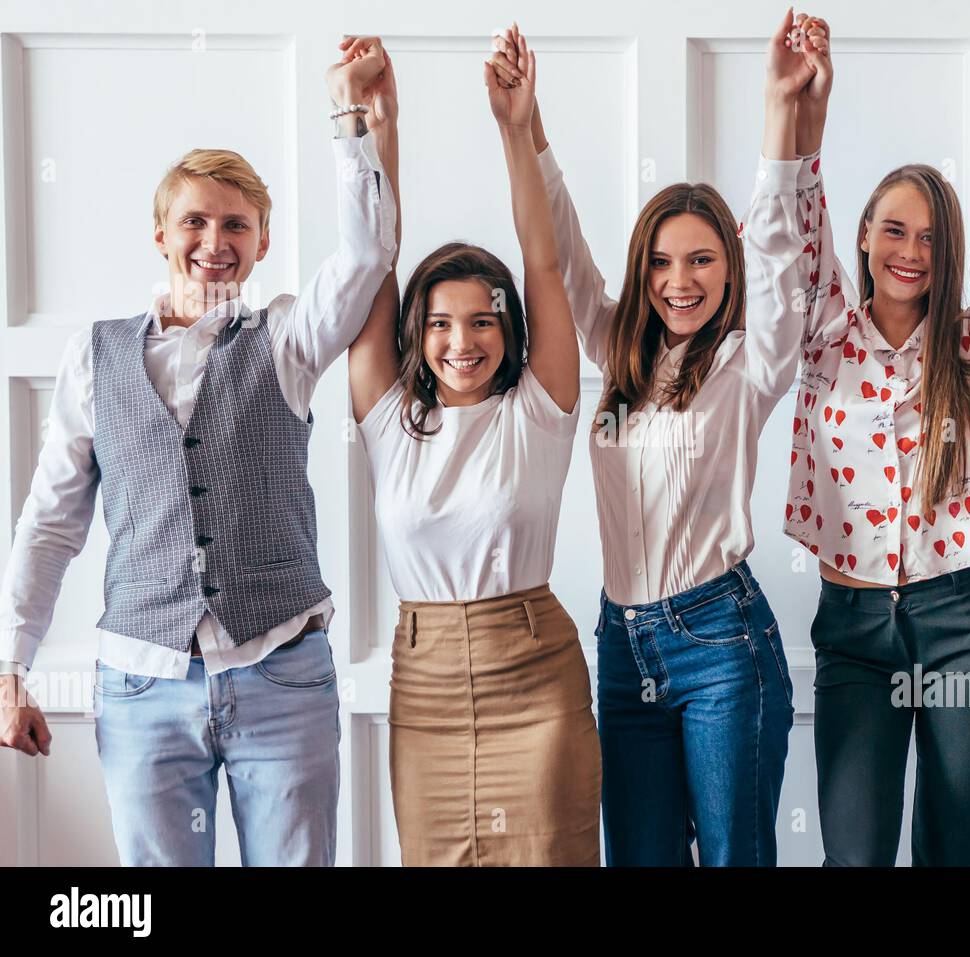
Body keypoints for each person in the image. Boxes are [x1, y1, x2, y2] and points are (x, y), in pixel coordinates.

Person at [0, 36, 397, 866]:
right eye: (195, 220)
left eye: (236, 226)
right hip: (142, 684)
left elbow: (366, 256)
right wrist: (10, 664)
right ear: (161, 234)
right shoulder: (94, 357)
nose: (214, 240)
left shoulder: (286, 337)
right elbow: (48, 525)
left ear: (259, 243)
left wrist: (348, 118)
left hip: (281, 671)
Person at [487, 16, 804, 866]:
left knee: (736, 855)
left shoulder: (749, 363)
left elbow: (780, 259)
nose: (679, 282)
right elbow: (562, 248)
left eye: (701, 261)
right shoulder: (618, 351)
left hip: (720, 643)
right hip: (622, 642)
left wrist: (779, 109)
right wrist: (528, 122)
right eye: (662, 262)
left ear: (728, 268)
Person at [773, 20, 970, 865]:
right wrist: (805, 106)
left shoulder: (966, 342)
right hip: (854, 625)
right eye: (895, 231)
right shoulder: (822, 331)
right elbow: (794, 229)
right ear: (865, 238)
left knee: (952, 850)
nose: (912, 252)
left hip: (963, 622)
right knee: (857, 853)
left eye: (929, 237)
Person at [350, 28, 600, 866]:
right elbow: (372, 262)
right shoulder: (389, 417)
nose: (464, 341)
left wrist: (515, 126)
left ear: (509, 327)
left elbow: (543, 260)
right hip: (422, 687)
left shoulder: (540, 404)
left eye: (484, 320)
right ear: (416, 335)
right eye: (442, 323)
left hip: (536, 677)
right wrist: (376, 124)